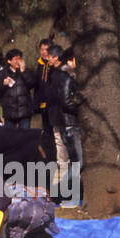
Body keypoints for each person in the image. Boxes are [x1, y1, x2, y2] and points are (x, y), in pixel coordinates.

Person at [49, 48, 82, 204]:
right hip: (69, 124)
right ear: (71, 60)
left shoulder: (62, 76)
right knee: (77, 162)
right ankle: (59, 192)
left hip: (67, 123)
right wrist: (80, 108)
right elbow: (66, 101)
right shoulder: (66, 77)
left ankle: (67, 193)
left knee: (75, 162)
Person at [0, 50, 36, 130]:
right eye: (16, 59)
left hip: (24, 112)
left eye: (20, 59)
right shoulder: (1, 74)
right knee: (10, 137)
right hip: (9, 112)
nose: (18, 61)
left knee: (25, 136)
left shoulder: (27, 71)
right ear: (9, 61)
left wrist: (23, 72)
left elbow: (32, 84)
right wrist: (3, 85)